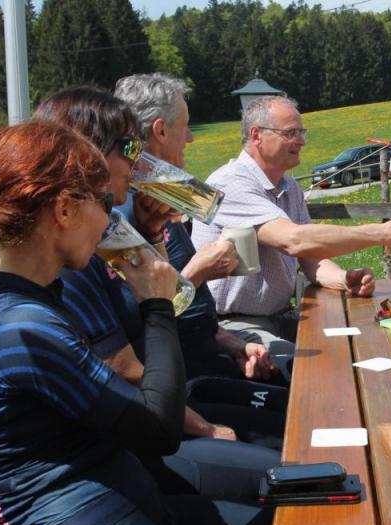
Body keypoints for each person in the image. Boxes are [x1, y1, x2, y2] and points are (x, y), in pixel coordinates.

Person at [0, 121, 271, 525]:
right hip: (93, 521)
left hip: (119, 500)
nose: (109, 222)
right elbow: (159, 430)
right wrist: (157, 305)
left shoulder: (21, 298)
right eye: (105, 205)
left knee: (306, 503)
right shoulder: (19, 328)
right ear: (64, 210)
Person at [33, 87, 283, 501]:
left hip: (166, 403)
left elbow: (175, 302)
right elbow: (127, 367)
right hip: (138, 435)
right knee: (287, 468)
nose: (137, 160)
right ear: (85, 154)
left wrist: (152, 236)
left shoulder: (112, 226)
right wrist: (206, 427)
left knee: (291, 432)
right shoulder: (78, 247)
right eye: (129, 146)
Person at [191, 95, 391, 347]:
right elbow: (295, 241)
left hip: (282, 317)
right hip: (233, 326)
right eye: (290, 133)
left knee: (360, 342)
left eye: (301, 132)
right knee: (310, 371)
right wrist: (382, 233)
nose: (301, 141)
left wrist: (344, 279)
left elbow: (311, 258)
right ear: (256, 135)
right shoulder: (229, 183)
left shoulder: (290, 187)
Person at [115, 73, 284, 383]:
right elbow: (137, 322)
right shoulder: (121, 210)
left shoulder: (165, 193)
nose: (191, 137)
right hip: (178, 378)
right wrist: (200, 270)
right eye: (185, 125)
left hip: (208, 353)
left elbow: (191, 315)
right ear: (161, 130)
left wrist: (236, 346)